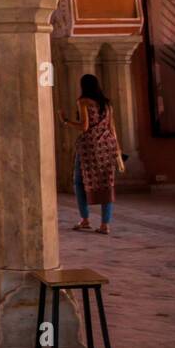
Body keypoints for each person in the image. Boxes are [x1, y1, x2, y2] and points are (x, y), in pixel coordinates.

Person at [59, 73, 125, 235]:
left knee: (79, 181)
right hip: (108, 146)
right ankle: (105, 225)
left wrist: (65, 121)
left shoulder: (83, 102)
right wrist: (117, 151)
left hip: (89, 147)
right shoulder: (107, 104)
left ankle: (85, 219)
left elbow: (84, 127)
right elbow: (112, 128)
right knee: (106, 184)